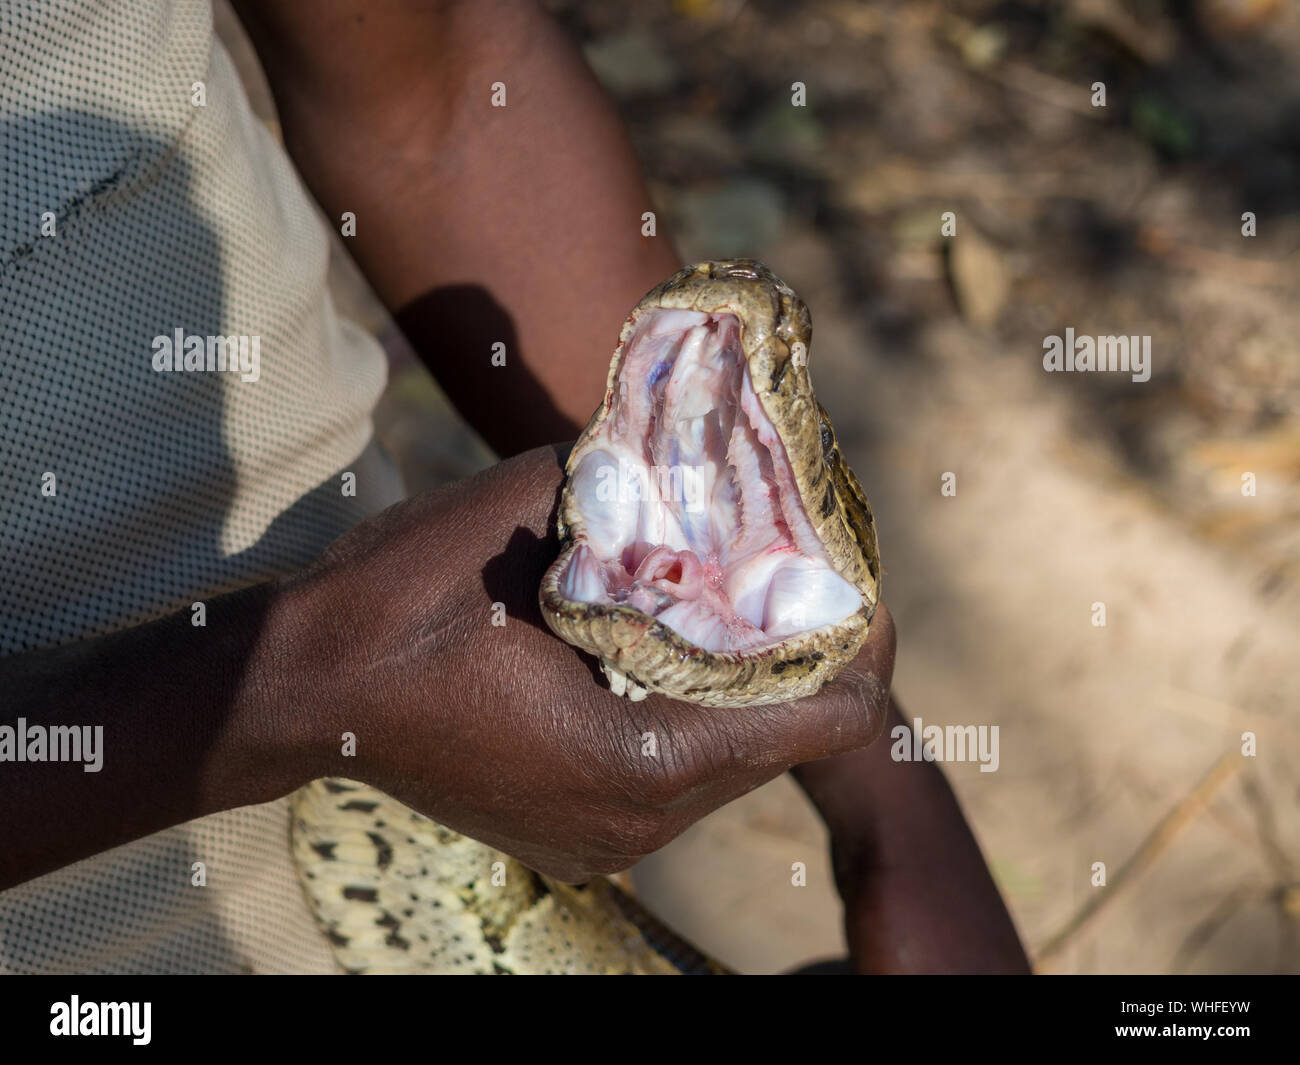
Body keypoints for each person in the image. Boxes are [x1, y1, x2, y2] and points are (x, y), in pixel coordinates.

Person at [0, 0, 1029, 974]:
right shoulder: (337, 670)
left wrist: (893, 811)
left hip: (381, 715)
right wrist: (304, 683)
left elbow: (442, 83)